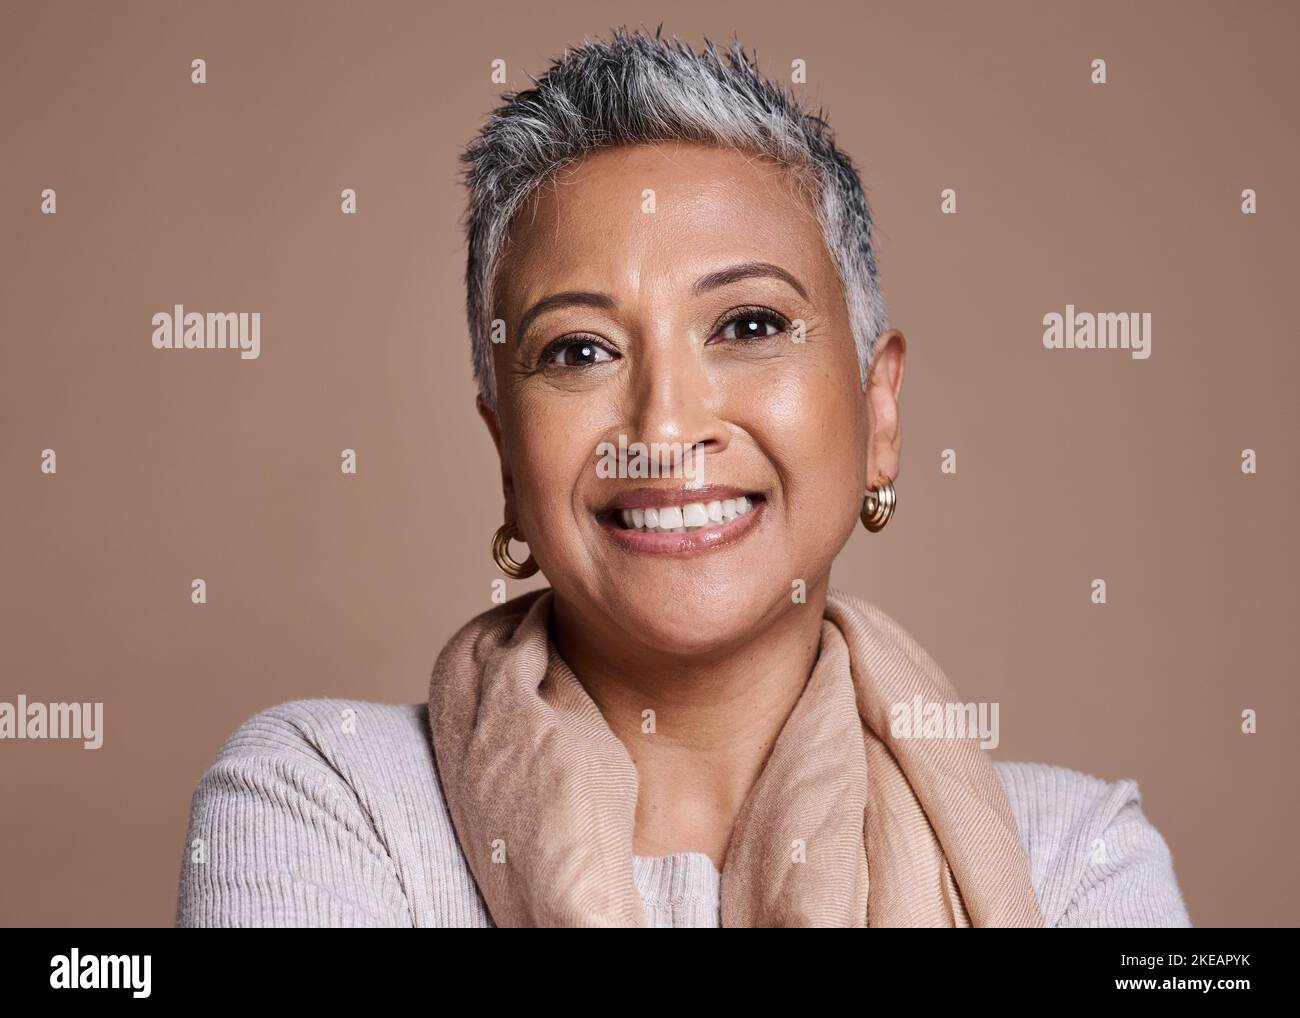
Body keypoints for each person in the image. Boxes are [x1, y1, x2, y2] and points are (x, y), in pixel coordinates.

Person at [175, 26, 1191, 928]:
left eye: (748, 325)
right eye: (576, 350)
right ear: (505, 457)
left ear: (880, 413)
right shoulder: (327, 796)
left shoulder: (1076, 857)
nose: (662, 426)